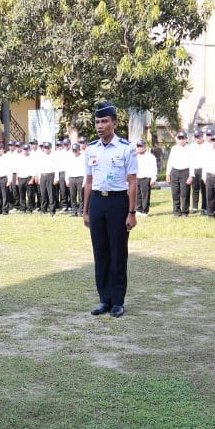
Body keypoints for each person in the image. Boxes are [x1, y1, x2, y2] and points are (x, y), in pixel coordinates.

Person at [83, 102, 137, 319]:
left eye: (104, 121)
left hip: (117, 203)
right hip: (97, 202)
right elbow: (88, 181)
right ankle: (104, 299)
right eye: (97, 122)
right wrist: (85, 210)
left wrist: (131, 213)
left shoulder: (126, 148)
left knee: (118, 253)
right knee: (100, 253)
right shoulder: (91, 148)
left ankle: (118, 301)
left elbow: (132, 182)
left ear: (114, 123)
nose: (100, 125)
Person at [165, 131, 193, 216]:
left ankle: (185, 211)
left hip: (185, 171)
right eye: (179, 138)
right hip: (175, 172)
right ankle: (176, 211)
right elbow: (170, 161)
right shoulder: (174, 148)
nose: (181, 140)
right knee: (175, 192)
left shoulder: (190, 148)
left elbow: (192, 163)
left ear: (186, 139)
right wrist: (167, 174)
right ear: (177, 139)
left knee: (185, 193)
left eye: (183, 138)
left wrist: (191, 176)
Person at [66, 142, 87, 217]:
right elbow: (67, 169)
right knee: (72, 195)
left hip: (80, 178)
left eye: (76, 150)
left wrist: (85, 180)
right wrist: (67, 179)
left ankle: (81, 211)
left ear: (79, 150)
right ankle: (74, 211)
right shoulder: (70, 158)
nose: (75, 152)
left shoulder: (83, 157)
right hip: (72, 178)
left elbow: (85, 170)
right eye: (73, 150)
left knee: (81, 196)